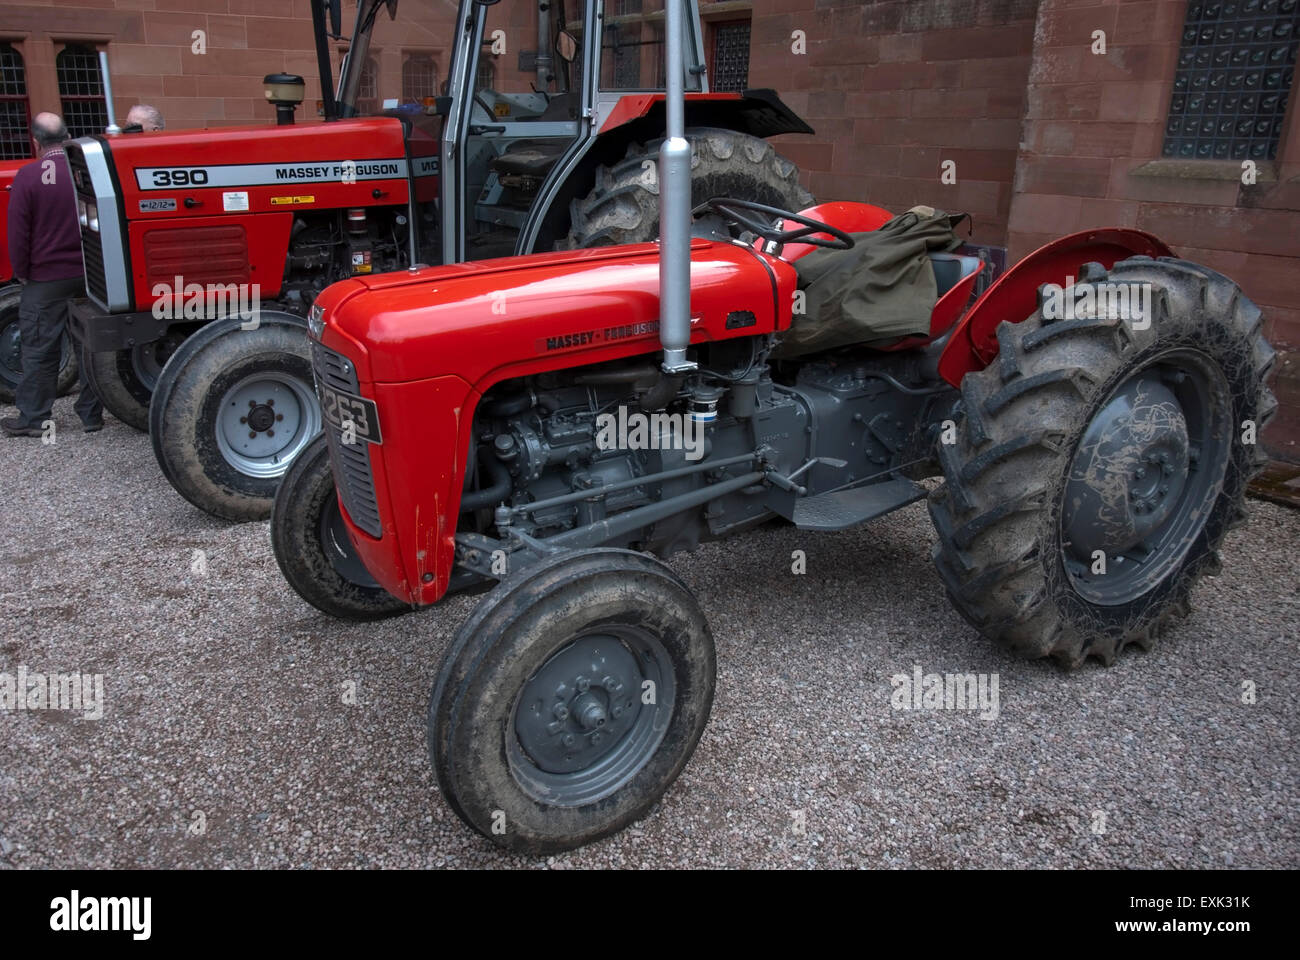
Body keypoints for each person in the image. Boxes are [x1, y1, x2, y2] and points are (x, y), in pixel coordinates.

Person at [1, 113, 103, 437]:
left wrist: (22, 273)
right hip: (89, 274)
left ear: (35, 142)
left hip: (45, 278)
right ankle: (91, 416)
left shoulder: (29, 176)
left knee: (40, 349)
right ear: (68, 135)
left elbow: (17, 234)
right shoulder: (86, 172)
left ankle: (34, 419)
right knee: (91, 346)